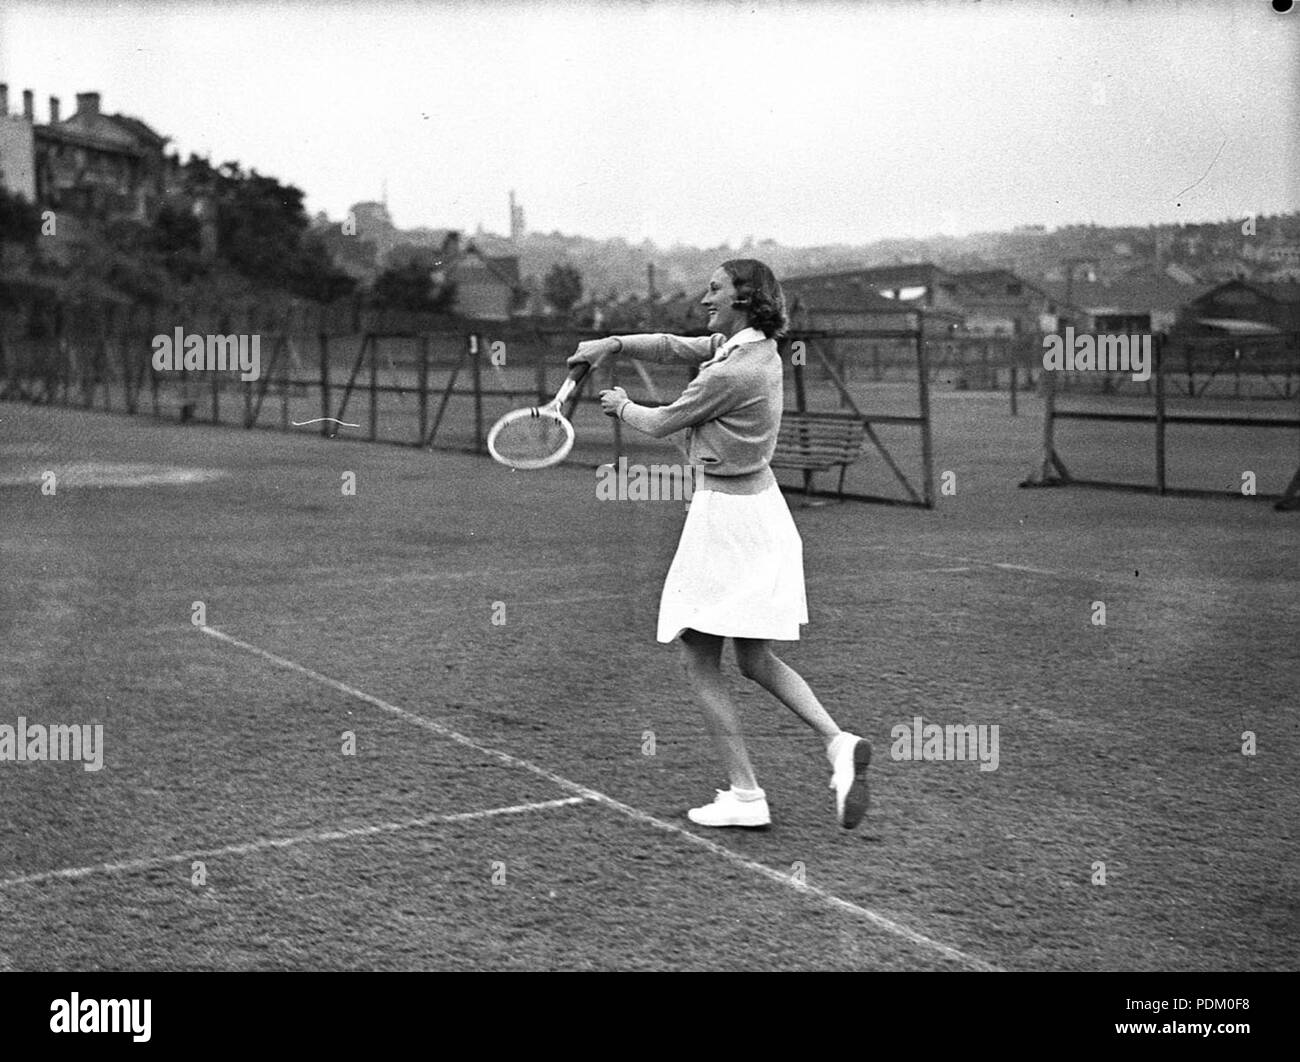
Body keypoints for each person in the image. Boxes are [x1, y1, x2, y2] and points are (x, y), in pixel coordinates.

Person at [567, 259, 872, 829]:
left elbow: (661, 423)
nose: (705, 297)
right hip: (759, 514)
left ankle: (746, 795)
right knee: (753, 657)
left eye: (715, 290)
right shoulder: (748, 350)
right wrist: (610, 342)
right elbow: (671, 345)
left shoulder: (731, 373)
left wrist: (619, 406)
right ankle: (837, 742)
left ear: (744, 299)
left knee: (699, 655)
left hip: (729, 519)